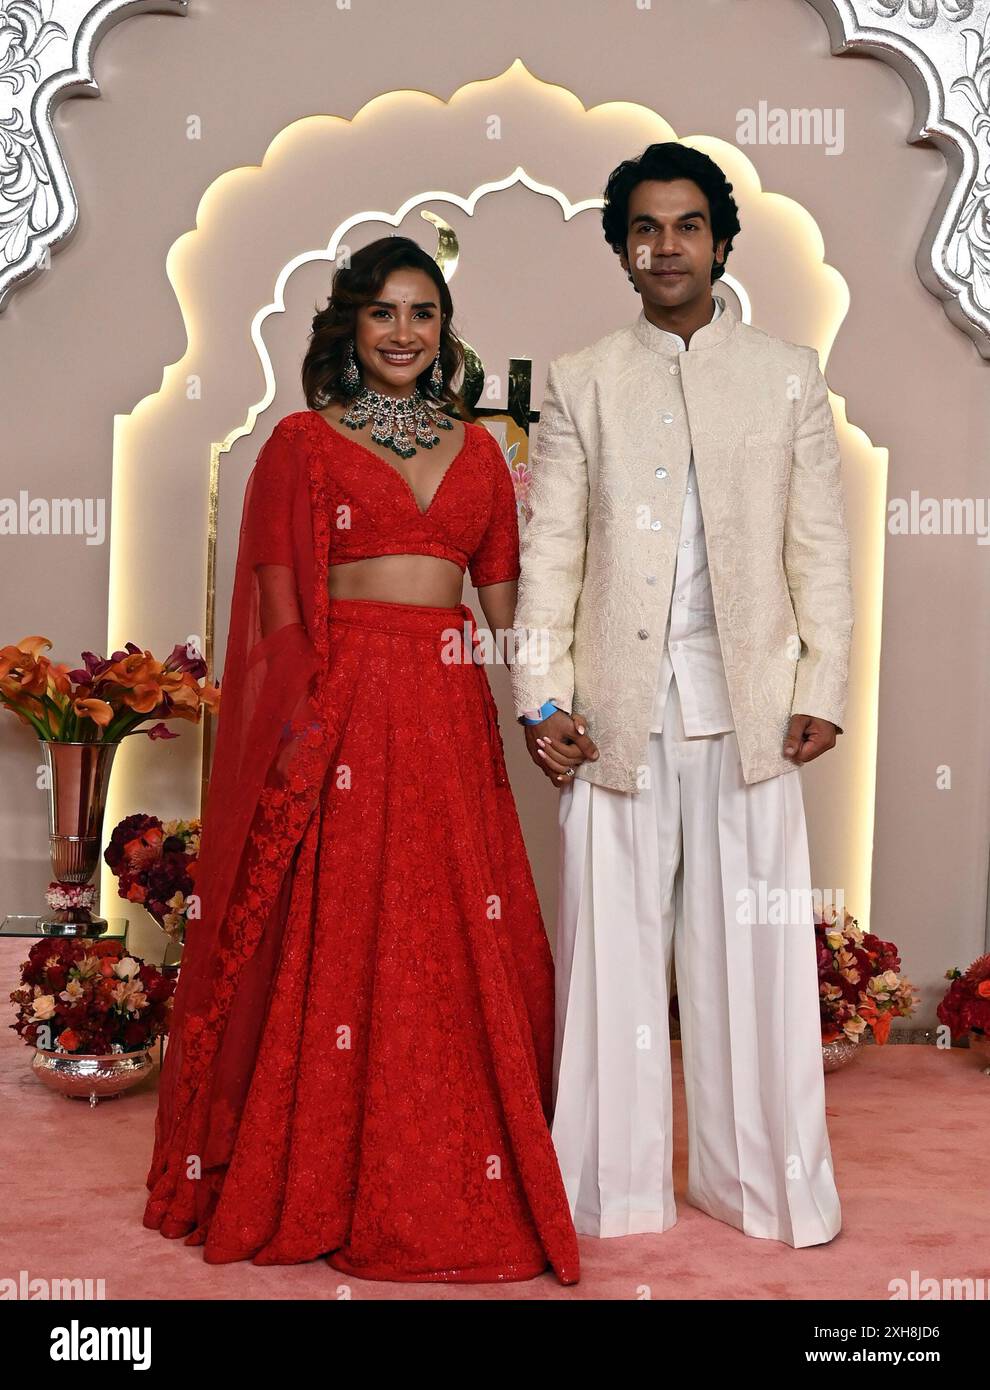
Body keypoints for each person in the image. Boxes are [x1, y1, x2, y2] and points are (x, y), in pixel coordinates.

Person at [143, 235, 580, 1286]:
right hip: (340, 713)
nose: (402, 332)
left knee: (456, 934)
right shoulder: (301, 443)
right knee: (336, 940)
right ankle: (318, 1165)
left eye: (422, 312)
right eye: (382, 312)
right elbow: (279, 608)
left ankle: (457, 1159)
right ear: (349, 323)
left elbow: (508, 614)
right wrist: (296, 738)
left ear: (446, 329)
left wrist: (548, 711)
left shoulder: (482, 456)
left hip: (448, 715)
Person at [511, 143, 853, 1247]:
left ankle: (765, 1190)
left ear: (721, 241)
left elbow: (822, 550)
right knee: (611, 954)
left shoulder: (788, 372)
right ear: (622, 246)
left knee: (749, 953)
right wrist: (540, 698)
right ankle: (610, 1195)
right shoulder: (584, 377)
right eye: (646, 229)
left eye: (688, 226)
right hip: (612, 708)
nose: (667, 246)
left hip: (750, 701)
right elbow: (551, 550)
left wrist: (826, 683)